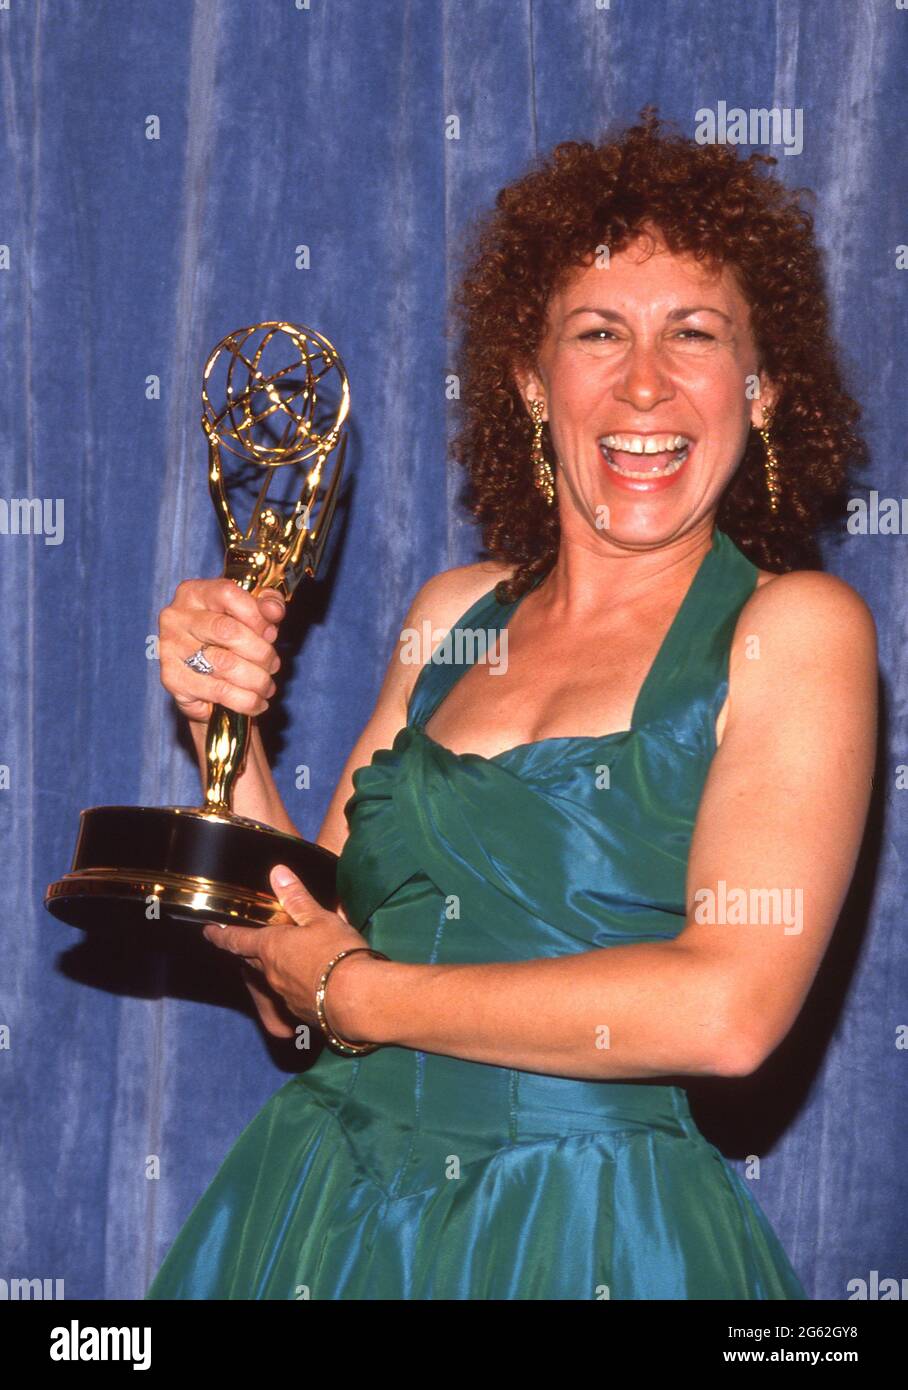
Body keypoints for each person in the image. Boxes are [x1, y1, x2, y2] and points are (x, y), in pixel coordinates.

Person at [145, 109, 877, 1300]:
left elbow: (727, 1010)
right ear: (533, 385)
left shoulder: (791, 631)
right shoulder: (452, 613)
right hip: (321, 1216)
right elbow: (289, 966)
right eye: (598, 333)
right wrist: (217, 723)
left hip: (591, 1234)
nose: (644, 381)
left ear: (758, 389)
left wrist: (355, 988)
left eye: (692, 333)